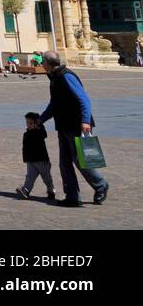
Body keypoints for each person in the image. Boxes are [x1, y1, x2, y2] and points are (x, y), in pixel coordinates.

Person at [37, 52, 109, 207]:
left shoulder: (66, 76)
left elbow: (84, 99)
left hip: (76, 125)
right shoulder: (55, 78)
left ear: (49, 63)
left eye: (42, 61)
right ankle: (72, 197)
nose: (41, 64)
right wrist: (41, 120)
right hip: (63, 125)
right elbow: (54, 104)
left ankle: (101, 184)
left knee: (80, 160)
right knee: (64, 163)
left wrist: (85, 121)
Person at [16, 112, 55, 201]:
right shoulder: (26, 134)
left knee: (47, 178)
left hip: (42, 161)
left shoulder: (39, 132)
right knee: (29, 177)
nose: (28, 125)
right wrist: (25, 159)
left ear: (36, 123)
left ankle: (51, 190)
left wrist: (40, 126)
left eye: (31, 123)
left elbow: (44, 134)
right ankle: (26, 191)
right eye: (27, 123)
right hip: (31, 161)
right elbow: (24, 148)